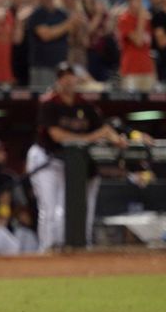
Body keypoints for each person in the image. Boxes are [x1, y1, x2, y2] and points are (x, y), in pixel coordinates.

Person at [26, 62, 127, 252]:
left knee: (65, 209)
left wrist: (116, 139)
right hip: (45, 158)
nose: (68, 80)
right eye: (64, 76)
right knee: (48, 207)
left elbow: (103, 128)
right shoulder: (50, 102)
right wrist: (89, 138)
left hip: (68, 162)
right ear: (58, 80)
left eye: (71, 76)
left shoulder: (83, 104)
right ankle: (46, 249)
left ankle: (64, 248)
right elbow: (57, 136)